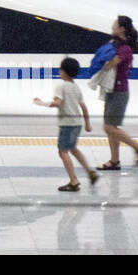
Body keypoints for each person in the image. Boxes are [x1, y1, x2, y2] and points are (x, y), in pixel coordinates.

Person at [34, 57, 97, 191]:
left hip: (67, 124)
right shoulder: (76, 87)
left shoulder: (61, 86)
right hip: (77, 124)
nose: (59, 71)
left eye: (60, 69)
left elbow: (57, 103)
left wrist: (41, 103)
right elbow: (84, 107)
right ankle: (90, 172)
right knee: (73, 148)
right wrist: (87, 124)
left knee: (62, 152)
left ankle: (73, 181)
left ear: (63, 71)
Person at [98, 15, 138, 170]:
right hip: (112, 90)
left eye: (114, 25)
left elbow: (109, 65)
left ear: (122, 29)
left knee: (108, 127)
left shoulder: (124, 49)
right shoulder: (116, 44)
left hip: (119, 92)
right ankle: (114, 161)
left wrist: (104, 58)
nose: (112, 28)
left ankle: (137, 147)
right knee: (111, 128)